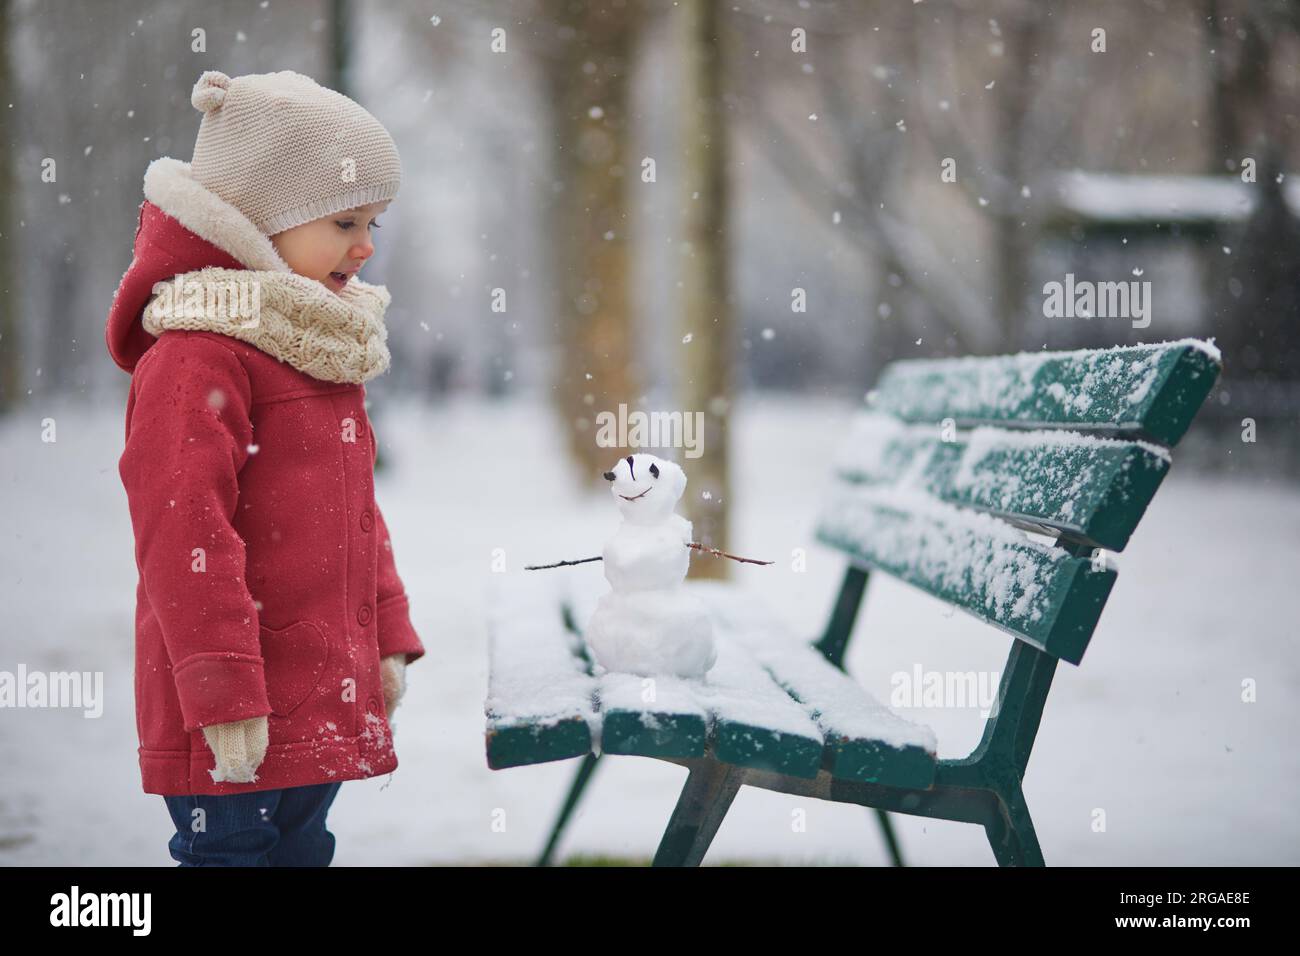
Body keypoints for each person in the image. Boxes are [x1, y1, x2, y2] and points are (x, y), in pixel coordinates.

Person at [105, 69, 425, 866]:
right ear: (260, 219)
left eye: (375, 221)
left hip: (318, 685)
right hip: (230, 707)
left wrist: (385, 632)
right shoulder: (196, 355)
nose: (366, 245)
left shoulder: (314, 348)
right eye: (346, 220)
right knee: (230, 855)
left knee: (302, 849)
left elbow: (358, 515)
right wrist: (220, 689)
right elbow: (183, 534)